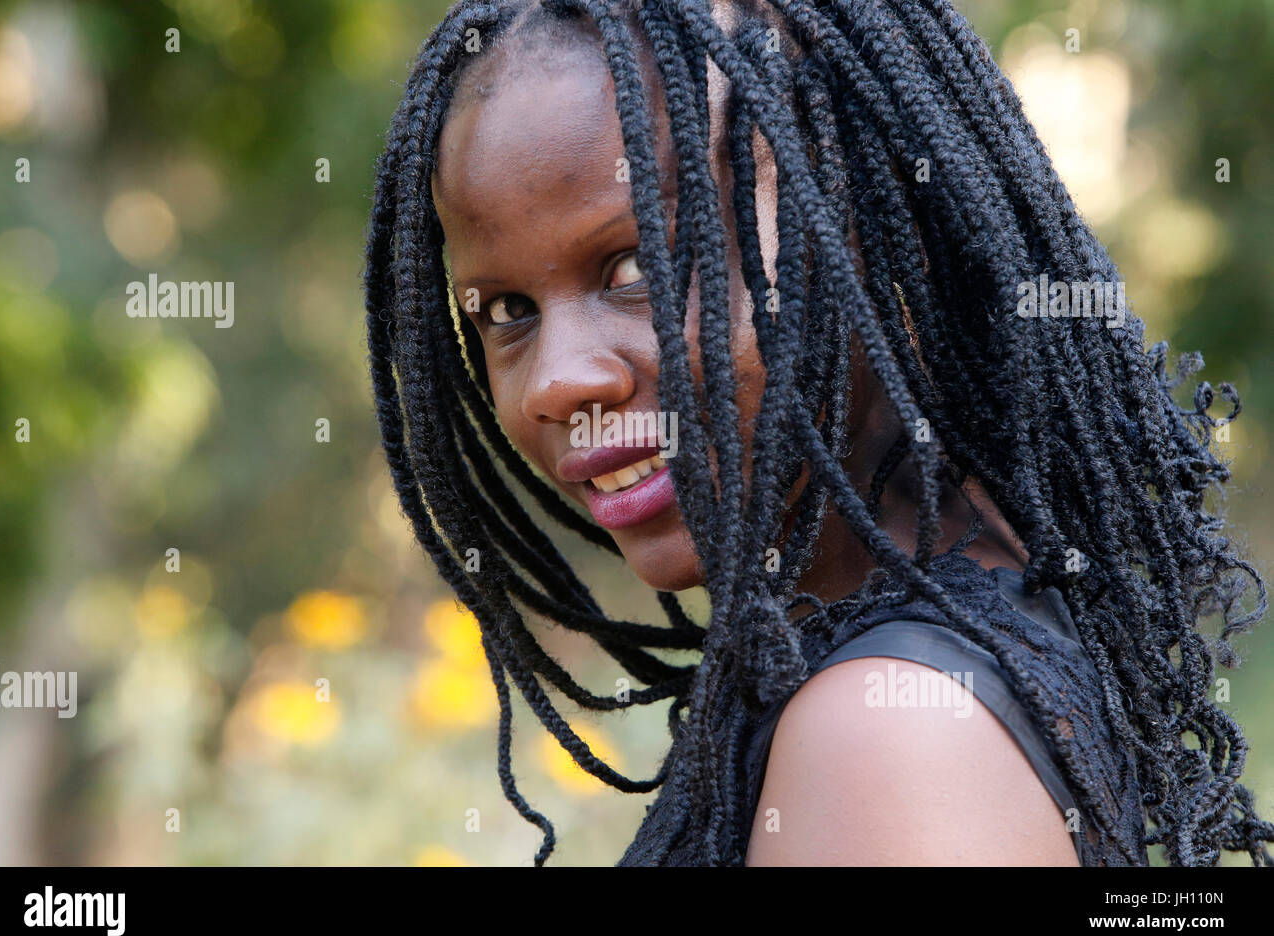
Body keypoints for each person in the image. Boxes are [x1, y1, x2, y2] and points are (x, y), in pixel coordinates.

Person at [363, 0, 1273, 865]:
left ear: (883, 233)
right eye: (507, 309)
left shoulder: (890, 732)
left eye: (638, 263)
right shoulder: (916, 646)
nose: (558, 382)